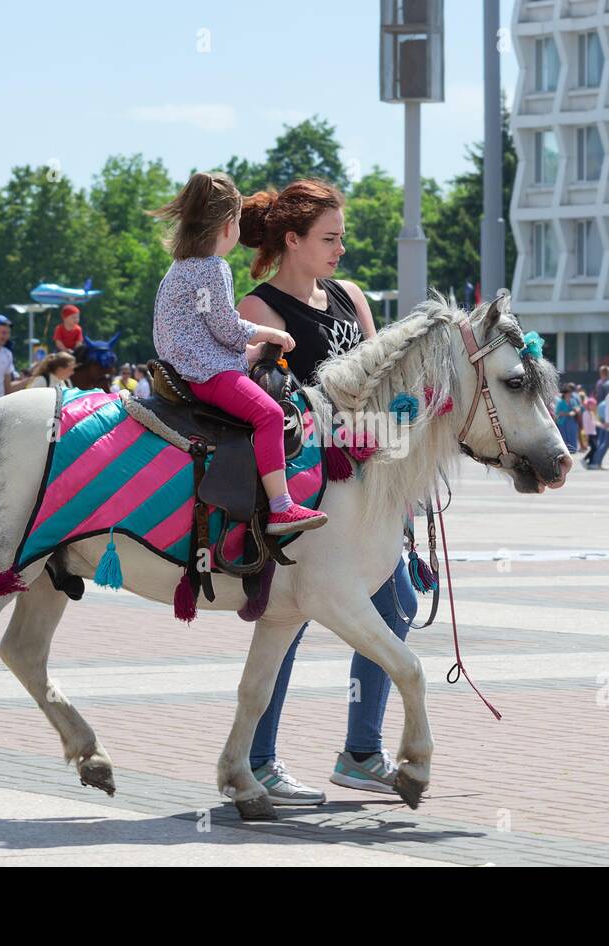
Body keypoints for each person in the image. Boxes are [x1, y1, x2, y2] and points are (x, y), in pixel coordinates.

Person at [233, 177, 415, 804]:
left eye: (341, 237)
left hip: (363, 488)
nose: (340, 249)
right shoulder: (258, 312)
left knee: (396, 607)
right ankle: (257, 761)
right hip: (302, 491)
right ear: (292, 240)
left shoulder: (349, 295)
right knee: (289, 620)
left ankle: (360, 753)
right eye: (329, 238)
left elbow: (380, 377)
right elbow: (260, 406)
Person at [152, 170, 327, 537]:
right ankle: (281, 506)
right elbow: (227, 328)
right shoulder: (214, 268)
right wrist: (273, 332)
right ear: (229, 225)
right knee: (269, 413)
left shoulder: (181, 268)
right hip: (207, 374)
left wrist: (252, 352)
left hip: (189, 366)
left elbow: (206, 330)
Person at [555, 384, 579, 453]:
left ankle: (573, 450)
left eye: (570, 393)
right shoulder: (560, 402)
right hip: (562, 422)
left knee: (572, 435)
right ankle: (566, 451)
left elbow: (577, 408)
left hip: (571, 421)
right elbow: (558, 412)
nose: (569, 394)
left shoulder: (573, 401)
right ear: (565, 394)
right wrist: (568, 413)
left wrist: (575, 411)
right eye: (568, 393)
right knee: (564, 437)